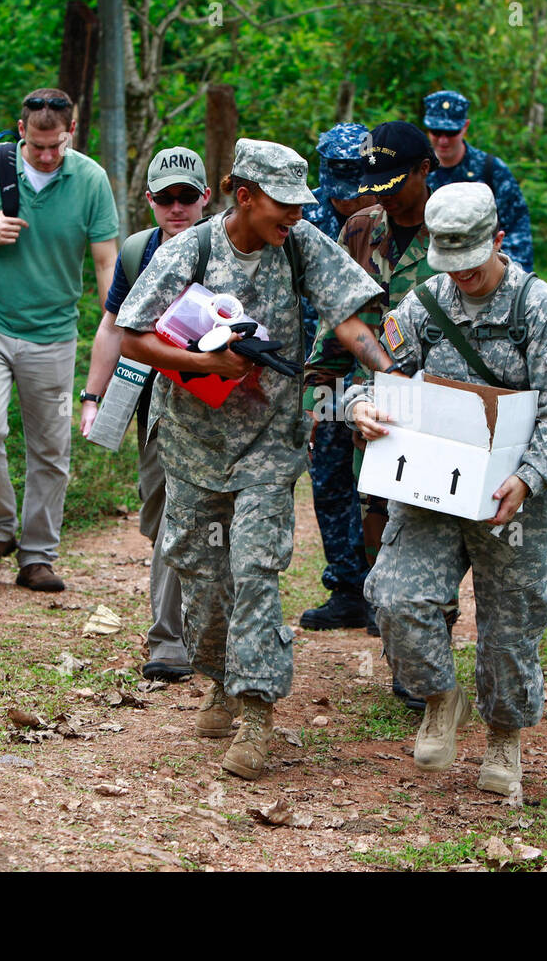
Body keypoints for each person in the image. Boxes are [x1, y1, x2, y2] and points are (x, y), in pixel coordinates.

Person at [116, 139, 391, 780]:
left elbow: (349, 318)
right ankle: (218, 680)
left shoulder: (301, 244)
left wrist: (391, 374)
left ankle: (257, 714)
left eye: (300, 206)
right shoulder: (191, 249)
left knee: (258, 568)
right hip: (190, 442)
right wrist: (207, 363)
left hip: (270, 442)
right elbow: (132, 333)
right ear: (244, 197)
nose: (293, 216)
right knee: (201, 572)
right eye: (282, 205)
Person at [345, 182, 547, 795]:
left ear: (498, 241)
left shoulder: (541, 309)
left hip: (516, 494)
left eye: (473, 267)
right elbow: (379, 376)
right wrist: (362, 407)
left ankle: (504, 737)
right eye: (450, 267)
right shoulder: (425, 304)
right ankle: (440, 697)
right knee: (396, 598)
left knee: (511, 627)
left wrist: (528, 479)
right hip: (435, 484)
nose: (463, 280)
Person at [0, 88, 118, 591]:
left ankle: (38, 555)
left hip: (54, 334)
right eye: (37, 145)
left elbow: (105, 260)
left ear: (71, 133)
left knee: (49, 447)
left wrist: (112, 327)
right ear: (22, 131)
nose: (46, 154)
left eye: (56, 145)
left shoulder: (90, 179)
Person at [303, 121, 442, 709]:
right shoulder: (360, 226)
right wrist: (318, 390)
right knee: (359, 502)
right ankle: (377, 622)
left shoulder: (453, 230)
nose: (381, 195)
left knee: (416, 522)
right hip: (364, 394)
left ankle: (416, 652)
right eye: (374, 184)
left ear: (424, 172)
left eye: (395, 184)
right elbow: (341, 310)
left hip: (434, 400)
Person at [79, 146, 210, 681]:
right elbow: (112, 327)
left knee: (204, 518)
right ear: (150, 200)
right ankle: (181, 626)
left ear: (205, 197)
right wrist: (92, 398)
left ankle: (173, 639)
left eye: (186, 197)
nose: (175, 207)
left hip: (215, 402)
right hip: (153, 404)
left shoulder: (225, 249)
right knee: (162, 516)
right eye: (164, 198)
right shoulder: (137, 252)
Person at [299, 123, 376, 632]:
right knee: (328, 475)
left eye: (356, 174)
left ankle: (382, 589)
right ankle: (347, 587)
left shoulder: (382, 216)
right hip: (322, 368)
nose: (347, 188)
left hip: (377, 368)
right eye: (339, 174)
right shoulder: (302, 217)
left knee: (379, 482)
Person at [424, 89, 534, 272]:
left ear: (465, 127)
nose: (443, 140)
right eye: (436, 132)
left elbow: (518, 234)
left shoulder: (491, 170)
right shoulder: (418, 172)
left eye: (451, 132)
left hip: (481, 274)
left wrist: (514, 285)